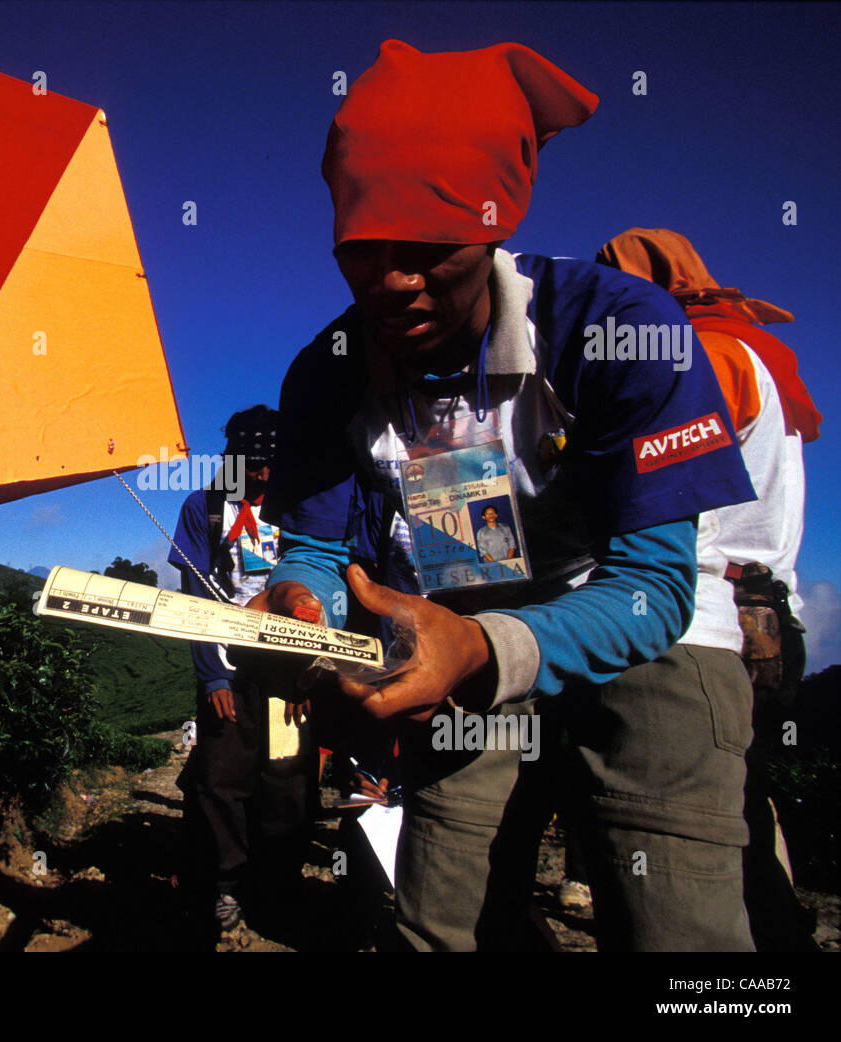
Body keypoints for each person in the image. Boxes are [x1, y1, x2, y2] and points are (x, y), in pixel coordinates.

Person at [247, 40, 759, 950]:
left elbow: (656, 584)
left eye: (432, 249)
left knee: (676, 917)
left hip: (652, 630)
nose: (396, 281)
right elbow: (321, 555)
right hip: (461, 623)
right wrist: (301, 610)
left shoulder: (624, 329)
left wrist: (484, 645)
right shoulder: (326, 375)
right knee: (441, 908)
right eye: (365, 253)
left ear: (492, 229)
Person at [597, 227, 822, 950]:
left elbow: (664, 502)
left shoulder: (702, 356)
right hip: (757, 628)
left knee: (679, 885)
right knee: (741, 822)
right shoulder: (757, 355)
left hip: (685, 623)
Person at [170, 405, 316, 934]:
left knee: (288, 780)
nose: (263, 474)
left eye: (271, 463)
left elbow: (321, 590)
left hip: (290, 671)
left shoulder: (304, 508)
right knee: (220, 779)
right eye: (252, 463)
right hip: (231, 666)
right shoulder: (204, 507)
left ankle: (276, 881)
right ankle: (223, 885)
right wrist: (211, 675)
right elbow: (195, 597)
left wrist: (305, 672)